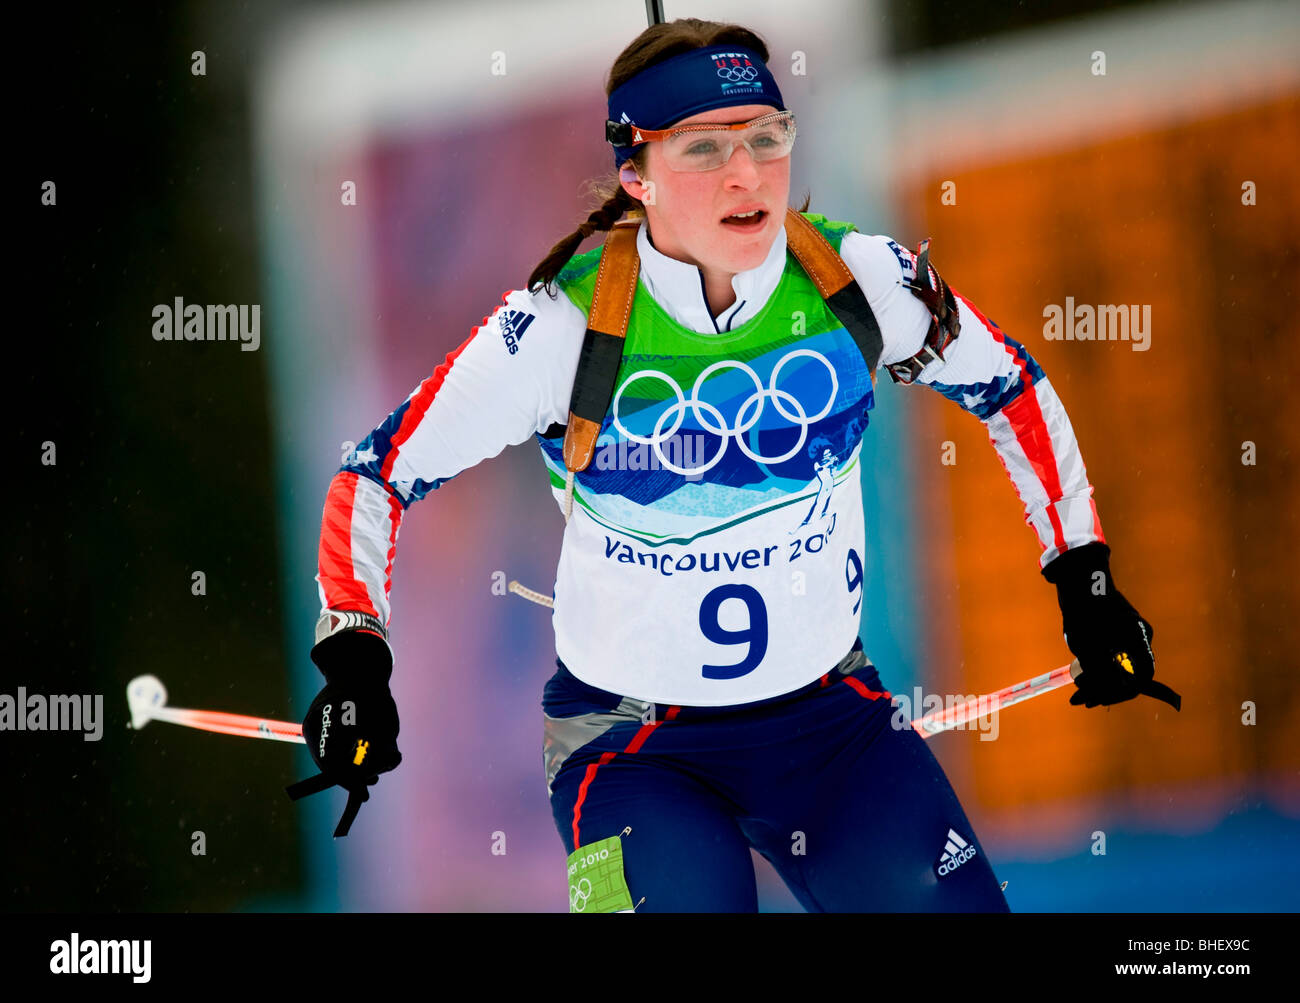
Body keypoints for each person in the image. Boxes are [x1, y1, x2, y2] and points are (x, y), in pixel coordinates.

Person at [289, 18, 1178, 911]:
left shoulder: (858, 282)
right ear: (635, 174)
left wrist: (1084, 578)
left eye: (766, 136)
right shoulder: (559, 328)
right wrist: (354, 660)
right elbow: (375, 472)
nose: (746, 173)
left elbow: (1011, 387)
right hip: (634, 753)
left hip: (834, 729)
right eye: (705, 147)